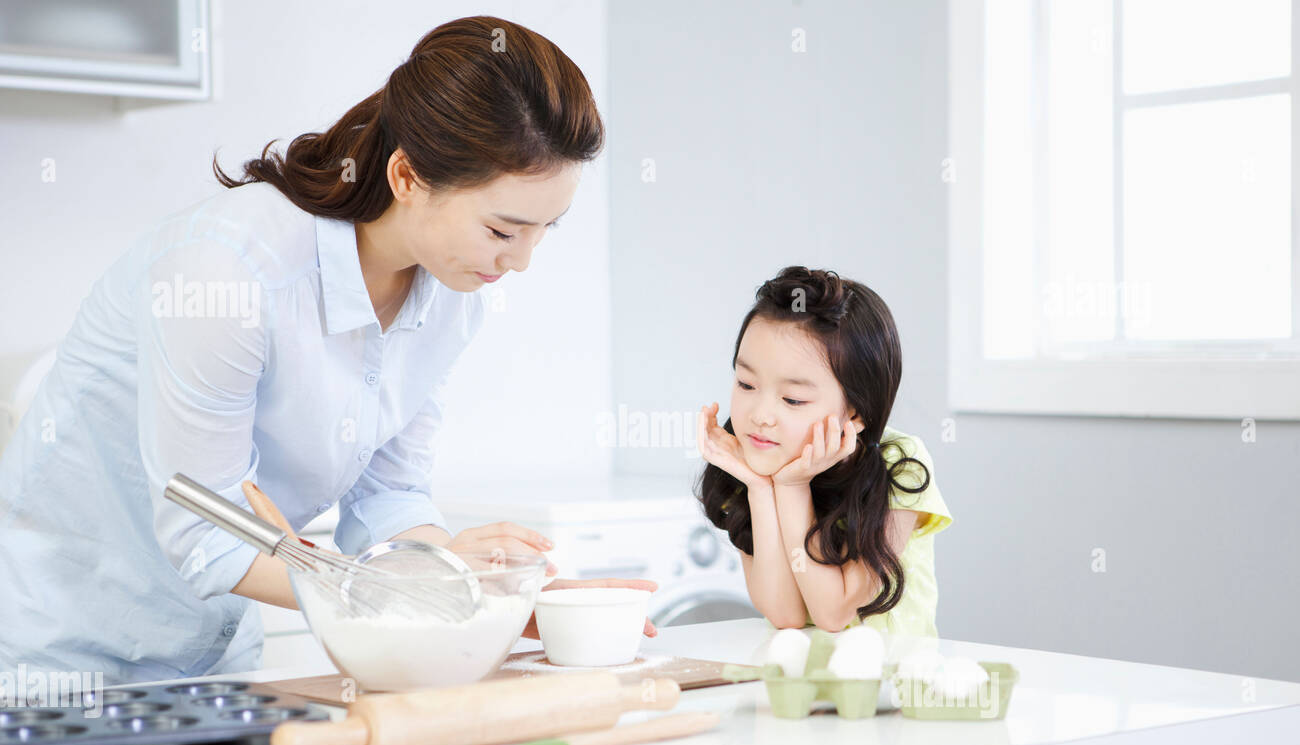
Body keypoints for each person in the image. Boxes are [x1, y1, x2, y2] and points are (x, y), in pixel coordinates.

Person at [0, 15, 654, 690]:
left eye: (544, 231)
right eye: (502, 229)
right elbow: (204, 535)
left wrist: (470, 587)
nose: (520, 262)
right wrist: (399, 596)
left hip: (212, 649)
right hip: (55, 648)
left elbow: (390, 498)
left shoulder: (452, 296)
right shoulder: (227, 272)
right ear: (407, 176)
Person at [694, 266, 953, 671]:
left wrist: (794, 488)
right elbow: (785, 615)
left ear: (855, 409)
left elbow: (833, 614)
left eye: (793, 400)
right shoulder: (748, 462)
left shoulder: (897, 466)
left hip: (891, 689)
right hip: (801, 687)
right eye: (746, 385)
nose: (760, 415)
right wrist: (762, 489)